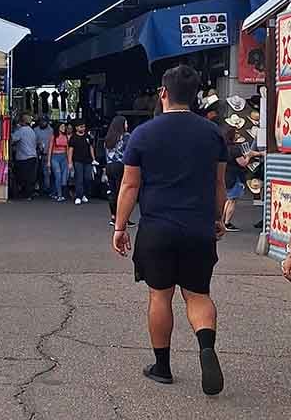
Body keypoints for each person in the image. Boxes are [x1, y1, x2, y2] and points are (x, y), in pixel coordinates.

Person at [113, 64, 227, 396]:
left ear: (163, 93)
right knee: (198, 295)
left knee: (160, 295)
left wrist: (120, 227)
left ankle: (162, 367)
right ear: (195, 97)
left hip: (157, 228)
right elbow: (219, 184)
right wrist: (218, 218)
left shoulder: (143, 134)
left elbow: (129, 185)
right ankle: (205, 346)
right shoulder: (212, 134)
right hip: (197, 227)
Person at [104, 116, 135, 228]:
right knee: (123, 192)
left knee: (112, 192)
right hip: (120, 166)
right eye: (126, 123)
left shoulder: (108, 138)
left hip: (109, 166)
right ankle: (123, 218)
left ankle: (113, 217)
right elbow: (129, 152)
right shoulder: (126, 137)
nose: (127, 125)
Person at [222, 128, 251, 232]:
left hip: (226, 175)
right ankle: (227, 223)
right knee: (232, 200)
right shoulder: (235, 149)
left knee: (228, 199)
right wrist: (248, 156)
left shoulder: (224, 147)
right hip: (235, 176)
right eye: (236, 134)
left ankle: (223, 221)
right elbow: (242, 163)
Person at [68, 120, 95, 205]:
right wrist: (70, 162)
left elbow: (91, 147)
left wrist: (93, 159)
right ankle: (78, 196)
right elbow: (70, 150)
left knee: (88, 178)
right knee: (79, 179)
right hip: (77, 161)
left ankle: (84, 194)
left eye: (84, 126)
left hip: (88, 160)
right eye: (81, 127)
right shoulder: (73, 137)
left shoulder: (88, 136)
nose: (83, 128)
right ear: (76, 128)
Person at [12, 113, 38, 200]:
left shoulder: (21, 131)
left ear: (21, 122)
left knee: (22, 176)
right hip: (33, 156)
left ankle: (24, 193)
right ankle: (29, 194)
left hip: (24, 157)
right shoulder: (31, 131)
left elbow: (12, 139)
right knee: (30, 177)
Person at [47, 123, 69, 202]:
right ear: (58, 127)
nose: (64, 128)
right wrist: (48, 162)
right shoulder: (53, 136)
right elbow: (50, 149)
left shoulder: (66, 136)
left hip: (64, 158)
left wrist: (69, 161)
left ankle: (62, 193)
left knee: (64, 177)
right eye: (62, 126)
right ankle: (59, 195)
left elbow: (67, 149)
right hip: (55, 157)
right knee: (58, 176)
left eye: (64, 127)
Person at [34, 117, 53, 196]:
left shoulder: (51, 130)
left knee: (46, 172)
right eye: (41, 121)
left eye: (44, 121)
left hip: (47, 154)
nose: (43, 123)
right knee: (37, 172)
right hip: (37, 153)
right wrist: (38, 145)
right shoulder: (35, 130)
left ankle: (46, 189)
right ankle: (37, 188)